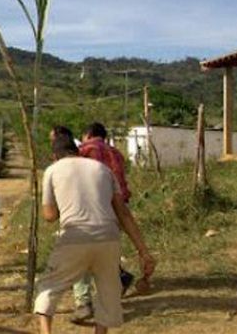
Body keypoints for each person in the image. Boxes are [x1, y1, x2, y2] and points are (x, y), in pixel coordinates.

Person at [34, 131, 156, 334]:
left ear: (55, 155)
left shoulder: (53, 170)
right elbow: (124, 213)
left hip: (74, 236)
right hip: (109, 237)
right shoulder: (103, 170)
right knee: (108, 292)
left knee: (50, 286)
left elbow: (49, 215)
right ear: (78, 151)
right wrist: (143, 251)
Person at [72, 122, 135, 324]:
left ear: (87, 134)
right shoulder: (117, 153)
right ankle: (119, 277)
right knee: (104, 251)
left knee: (80, 253)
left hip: (93, 209)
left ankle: (84, 303)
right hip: (117, 208)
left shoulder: (85, 150)